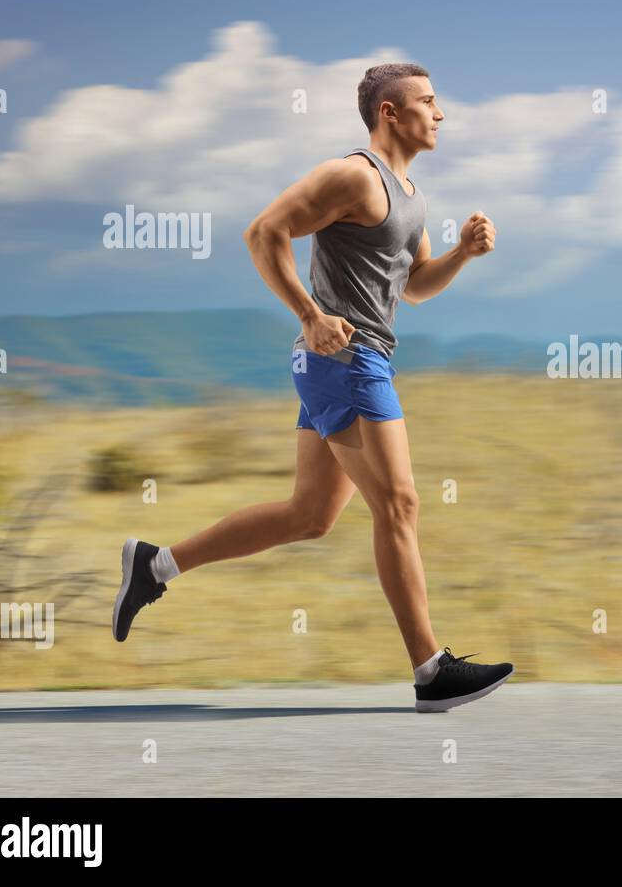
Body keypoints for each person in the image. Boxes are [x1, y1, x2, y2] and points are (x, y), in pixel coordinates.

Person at [114, 63, 512, 713]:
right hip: (347, 362)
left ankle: (154, 566)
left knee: (310, 516)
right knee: (401, 505)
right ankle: (431, 670)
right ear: (389, 111)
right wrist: (310, 314)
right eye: (428, 102)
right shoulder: (352, 174)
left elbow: (411, 288)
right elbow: (263, 232)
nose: (440, 114)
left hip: (352, 361)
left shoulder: (409, 193)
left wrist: (462, 254)